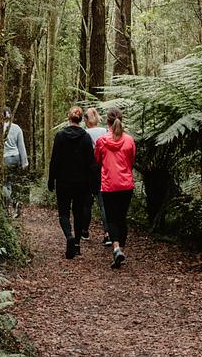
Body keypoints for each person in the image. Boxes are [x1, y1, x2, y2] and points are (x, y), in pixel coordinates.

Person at [47, 105, 97, 260]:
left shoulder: (60, 136)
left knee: (63, 213)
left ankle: (69, 236)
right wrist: (93, 183)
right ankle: (76, 245)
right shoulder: (86, 137)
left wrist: (51, 179)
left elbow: (54, 159)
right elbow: (91, 163)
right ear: (81, 119)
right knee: (78, 212)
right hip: (81, 183)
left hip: (63, 182)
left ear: (69, 117)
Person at [95, 105, 136, 269]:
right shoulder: (129, 140)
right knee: (121, 218)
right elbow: (131, 160)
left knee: (111, 218)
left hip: (109, 185)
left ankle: (117, 247)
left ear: (108, 121)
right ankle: (120, 250)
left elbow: (97, 160)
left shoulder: (102, 141)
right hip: (126, 184)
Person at [83, 107, 108, 243]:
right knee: (103, 203)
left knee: (87, 203)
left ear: (87, 120)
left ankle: (85, 231)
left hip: (88, 171)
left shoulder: (85, 133)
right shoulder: (104, 131)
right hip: (102, 170)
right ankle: (107, 233)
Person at [1, 108, 28, 216]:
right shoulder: (16, 128)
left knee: (5, 184)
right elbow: (21, 146)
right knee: (13, 183)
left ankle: (6, 208)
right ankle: (16, 204)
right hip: (15, 158)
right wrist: (24, 162)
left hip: (4, 159)